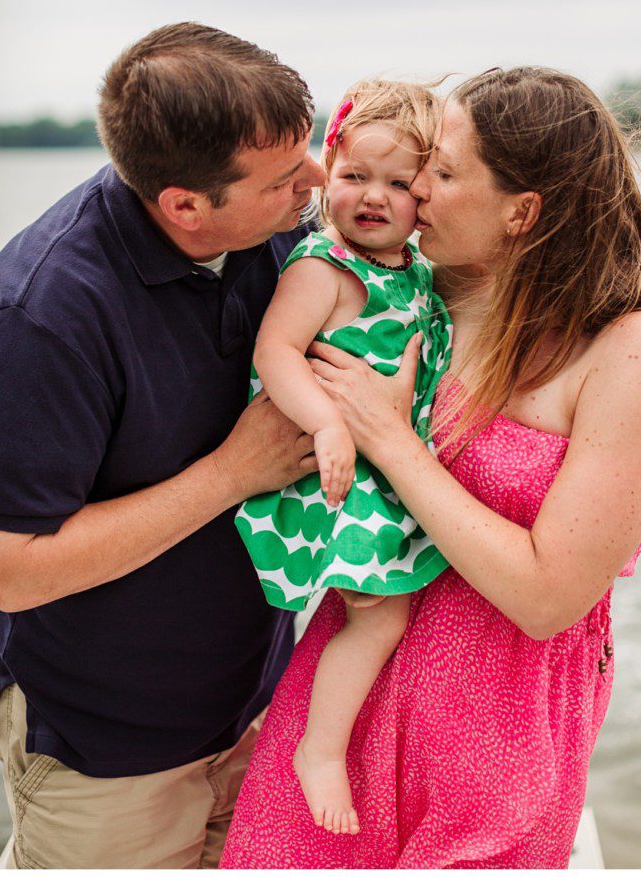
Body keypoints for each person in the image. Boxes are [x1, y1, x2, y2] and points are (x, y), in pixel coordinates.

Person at [220, 66, 641, 868]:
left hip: (496, 720)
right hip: (350, 681)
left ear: (522, 212)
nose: (419, 185)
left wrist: (389, 440)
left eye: (444, 172)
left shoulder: (634, 347)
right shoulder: (417, 288)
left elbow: (548, 597)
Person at [0, 22, 324, 868]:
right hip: (105, 757)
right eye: (287, 177)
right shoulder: (42, 312)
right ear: (184, 205)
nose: (316, 182)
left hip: (258, 708)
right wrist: (229, 474)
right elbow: (10, 570)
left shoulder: (278, 237)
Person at [234, 80, 454, 835]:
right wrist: (328, 424)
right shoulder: (323, 268)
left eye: (400, 184)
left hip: (379, 466)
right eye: (356, 175)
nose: (373, 197)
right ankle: (319, 751)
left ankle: (347, 741)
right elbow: (277, 350)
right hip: (334, 474)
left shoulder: (412, 267)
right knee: (381, 616)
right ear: (329, 168)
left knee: (386, 614)